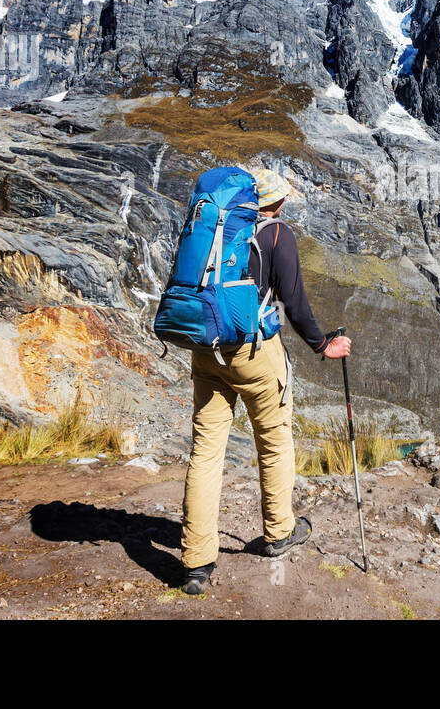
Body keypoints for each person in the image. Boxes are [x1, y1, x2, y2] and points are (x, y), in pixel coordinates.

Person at [180, 167, 352, 595]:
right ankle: (279, 532)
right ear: (277, 202)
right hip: (254, 352)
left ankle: (196, 563)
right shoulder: (277, 235)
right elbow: (293, 301)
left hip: (206, 346)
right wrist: (321, 345)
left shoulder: (213, 226)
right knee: (274, 441)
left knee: (206, 451)